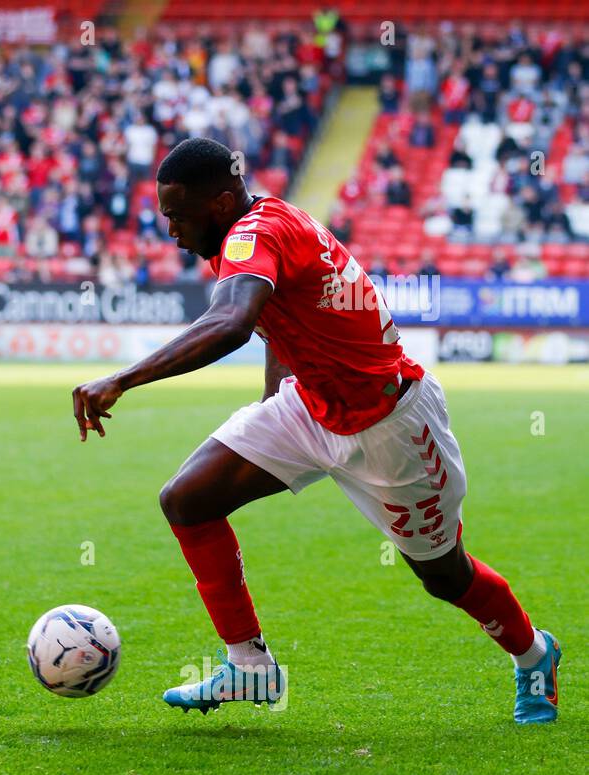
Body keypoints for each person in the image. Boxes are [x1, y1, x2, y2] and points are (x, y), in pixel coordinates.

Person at [71, 138, 560, 725]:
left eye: (177, 214)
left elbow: (231, 324)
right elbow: (278, 327)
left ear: (222, 203)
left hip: (393, 425)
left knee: (444, 574)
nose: (170, 229)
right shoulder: (250, 227)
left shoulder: (256, 232)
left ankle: (534, 655)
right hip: (309, 405)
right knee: (187, 500)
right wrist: (267, 419)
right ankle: (248, 666)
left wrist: (122, 379)